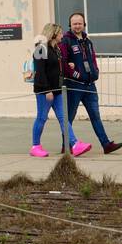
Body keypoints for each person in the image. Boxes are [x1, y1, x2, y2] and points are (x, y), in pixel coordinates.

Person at [59, 13, 122, 154]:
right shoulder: (65, 41)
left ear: (84, 24)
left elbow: (92, 59)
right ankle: (66, 145)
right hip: (74, 85)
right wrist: (76, 74)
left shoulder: (88, 41)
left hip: (90, 85)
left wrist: (95, 72)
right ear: (70, 25)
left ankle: (106, 145)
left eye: (80, 23)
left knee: (95, 115)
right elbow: (63, 62)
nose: (77, 26)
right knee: (69, 117)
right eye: (74, 23)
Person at [31, 23, 92, 158]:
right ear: (53, 34)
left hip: (58, 90)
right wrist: (47, 91)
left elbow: (55, 69)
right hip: (44, 91)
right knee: (41, 118)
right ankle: (35, 146)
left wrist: (68, 66)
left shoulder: (56, 49)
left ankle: (75, 144)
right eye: (60, 33)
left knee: (63, 118)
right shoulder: (40, 49)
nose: (62, 35)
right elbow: (40, 72)